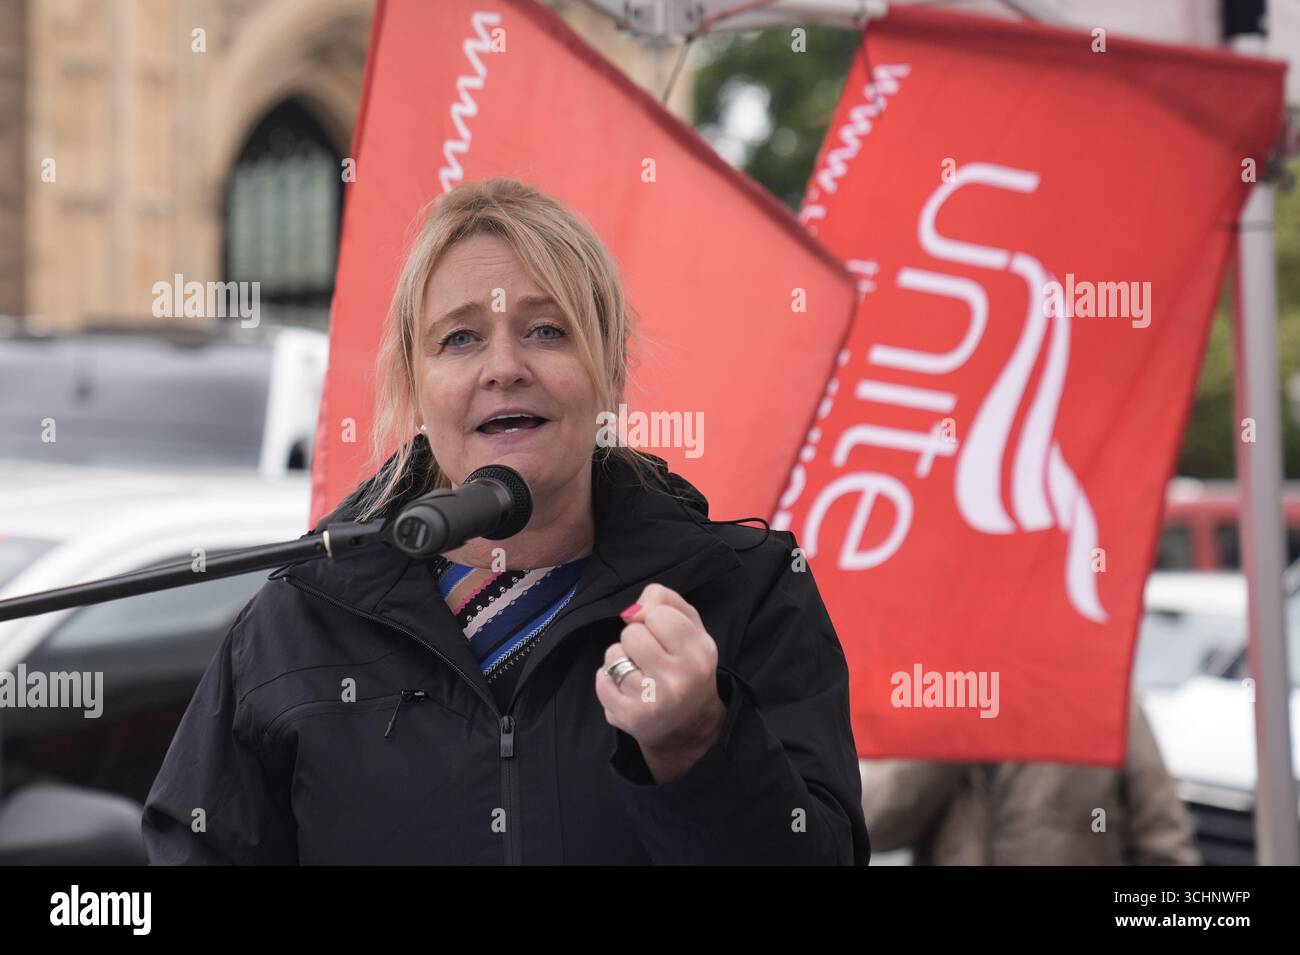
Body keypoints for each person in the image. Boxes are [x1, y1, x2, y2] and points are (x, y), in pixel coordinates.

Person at [141, 178, 870, 865]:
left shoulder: (749, 593)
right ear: (416, 385)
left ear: (611, 369)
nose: (503, 366)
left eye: (547, 330)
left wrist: (699, 746)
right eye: (459, 339)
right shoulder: (297, 617)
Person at [859, 698, 1199, 864]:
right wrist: (953, 731)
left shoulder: (1107, 708)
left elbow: (1163, 845)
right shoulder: (942, 705)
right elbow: (875, 825)